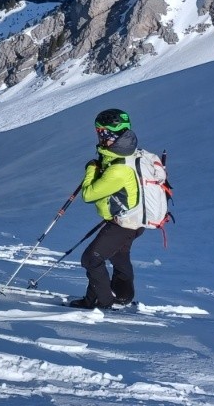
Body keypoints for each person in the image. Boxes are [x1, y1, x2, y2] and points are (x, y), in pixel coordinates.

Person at [68, 108, 143, 309]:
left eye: (101, 132)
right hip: (134, 220)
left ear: (111, 134)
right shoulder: (128, 154)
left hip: (124, 223)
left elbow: (89, 194)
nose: (99, 136)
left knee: (91, 259)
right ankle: (122, 296)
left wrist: (91, 169)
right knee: (119, 256)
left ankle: (104, 301)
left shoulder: (119, 169)